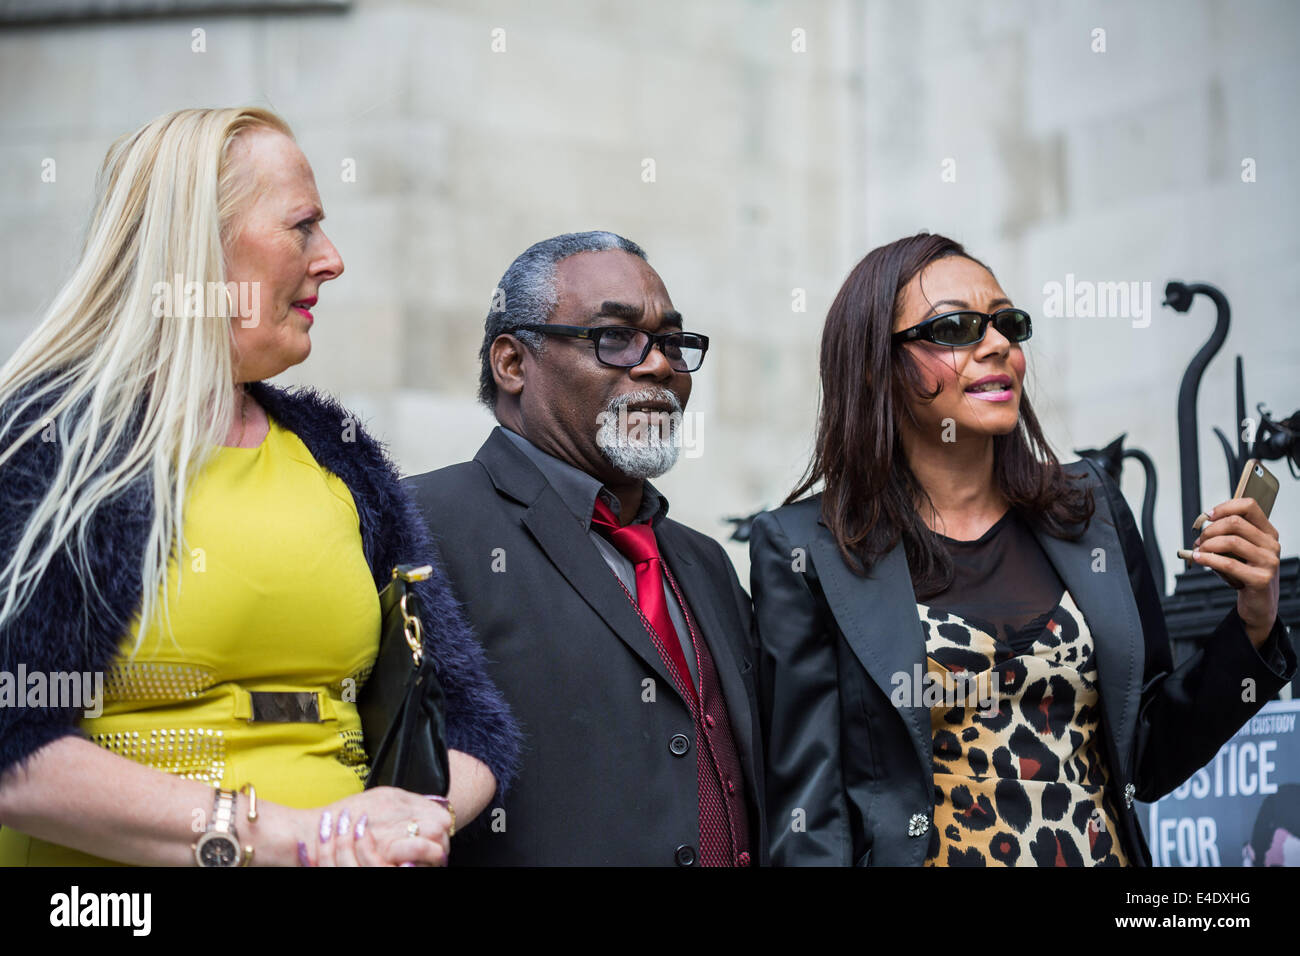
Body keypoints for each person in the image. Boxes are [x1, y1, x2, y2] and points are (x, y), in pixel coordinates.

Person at [0, 107, 519, 867]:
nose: (333, 259)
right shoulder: (51, 450)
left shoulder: (341, 460)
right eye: (302, 226)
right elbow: (18, 753)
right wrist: (296, 838)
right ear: (196, 249)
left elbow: (471, 725)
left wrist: (409, 827)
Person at [749, 232, 1295, 866]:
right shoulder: (808, 551)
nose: (997, 345)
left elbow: (1148, 753)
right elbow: (809, 821)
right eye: (955, 328)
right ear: (876, 365)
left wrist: (1254, 624)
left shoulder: (1090, 512)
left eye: (1007, 323)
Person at [403, 231, 765, 866]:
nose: (657, 365)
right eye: (614, 338)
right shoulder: (421, 524)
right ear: (512, 364)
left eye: (672, 342)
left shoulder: (704, 562)